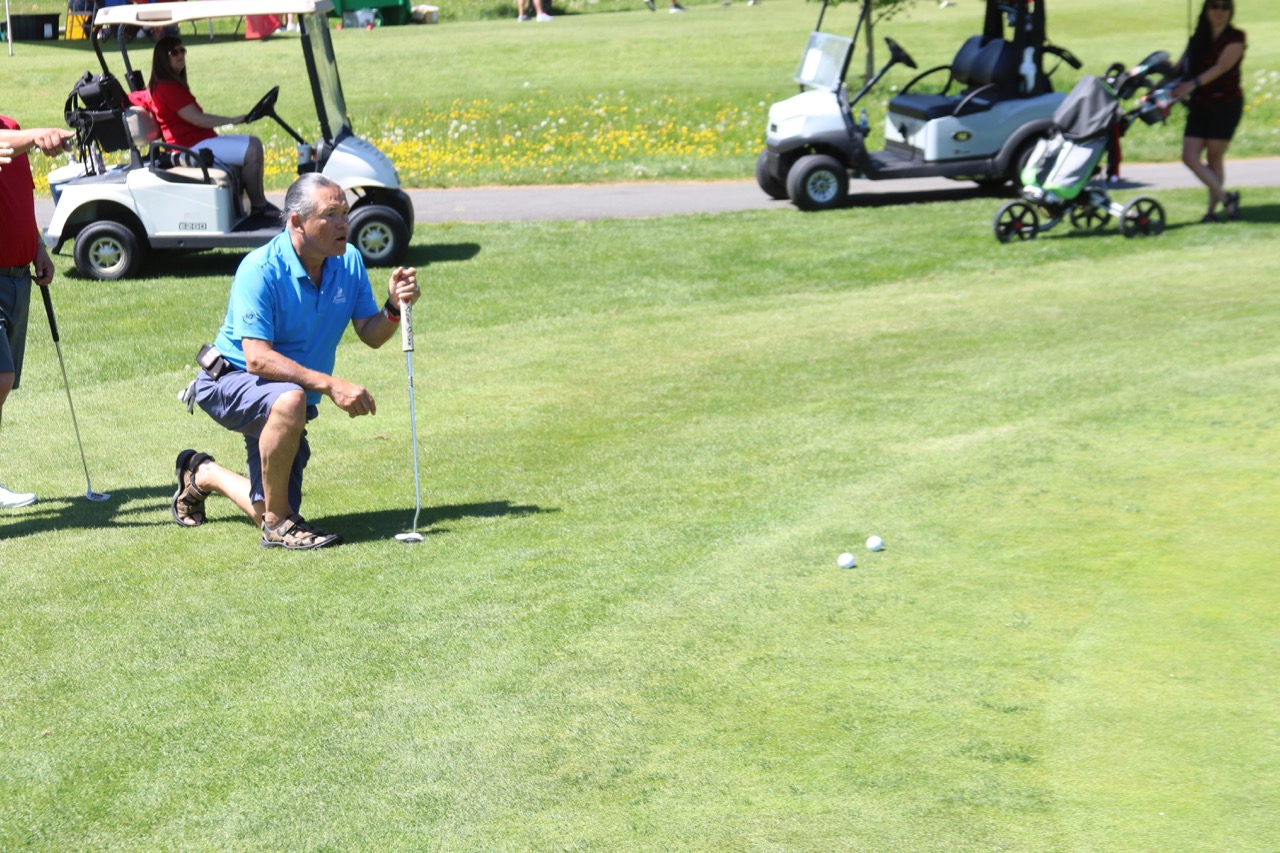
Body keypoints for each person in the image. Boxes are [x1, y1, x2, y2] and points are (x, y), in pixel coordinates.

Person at [172, 173, 420, 550]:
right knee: (290, 403)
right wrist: (331, 384)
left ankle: (203, 473)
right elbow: (257, 360)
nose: (343, 224)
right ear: (296, 222)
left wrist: (392, 306)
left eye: (345, 213)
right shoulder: (259, 269)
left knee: (268, 504)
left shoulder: (349, 261)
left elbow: (371, 334)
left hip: (284, 396)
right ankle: (277, 526)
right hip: (226, 380)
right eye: (330, 214)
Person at [0, 119, 76, 510]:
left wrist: (37, 248)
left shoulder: (10, 126)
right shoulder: (13, 135)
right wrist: (34, 137)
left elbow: (21, 198)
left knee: (2, 383)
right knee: (1, 375)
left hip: (17, 276)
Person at [148, 35, 280, 219]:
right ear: (163, 58)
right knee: (252, 150)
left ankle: (254, 205)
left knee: (254, 143)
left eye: (182, 50)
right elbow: (197, 119)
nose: (181, 55)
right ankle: (259, 208)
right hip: (190, 147)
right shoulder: (167, 87)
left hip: (199, 141)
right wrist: (233, 119)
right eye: (174, 52)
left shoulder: (171, 85)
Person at [1171, 0, 1247, 222]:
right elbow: (1179, 68)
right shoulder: (1198, 39)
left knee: (1214, 156)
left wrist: (1192, 84)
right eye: (1214, 6)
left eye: (1225, 7)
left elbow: (1222, 66)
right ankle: (1226, 199)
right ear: (1206, 10)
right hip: (1199, 105)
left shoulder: (1236, 37)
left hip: (1225, 104)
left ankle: (1211, 211)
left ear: (1230, 12)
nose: (1219, 11)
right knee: (1189, 156)